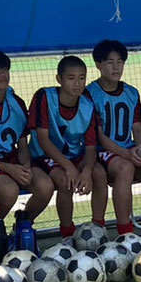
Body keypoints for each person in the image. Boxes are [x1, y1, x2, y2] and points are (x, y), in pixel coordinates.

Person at [0, 49, 56, 234]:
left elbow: (22, 145)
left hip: (12, 160)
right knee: (8, 190)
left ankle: (22, 225)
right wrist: (10, 169)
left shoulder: (17, 103)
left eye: (5, 69)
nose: (4, 74)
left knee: (45, 186)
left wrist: (26, 166)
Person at [86, 41, 141, 235]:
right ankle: (125, 232)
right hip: (104, 152)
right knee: (125, 168)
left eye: (120, 62)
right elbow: (99, 136)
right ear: (98, 64)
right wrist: (127, 154)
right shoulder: (90, 93)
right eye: (110, 62)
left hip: (127, 149)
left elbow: (136, 127)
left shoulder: (131, 92)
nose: (116, 67)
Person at [29, 56, 104, 241]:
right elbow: (43, 140)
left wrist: (86, 171)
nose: (77, 84)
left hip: (72, 155)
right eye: (71, 78)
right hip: (43, 156)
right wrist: (69, 167)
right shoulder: (44, 97)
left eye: (81, 78)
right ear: (59, 79)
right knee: (65, 180)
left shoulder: (87, 105)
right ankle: (67, 234)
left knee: (99, 173)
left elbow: (91, 146)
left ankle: (99, 228)